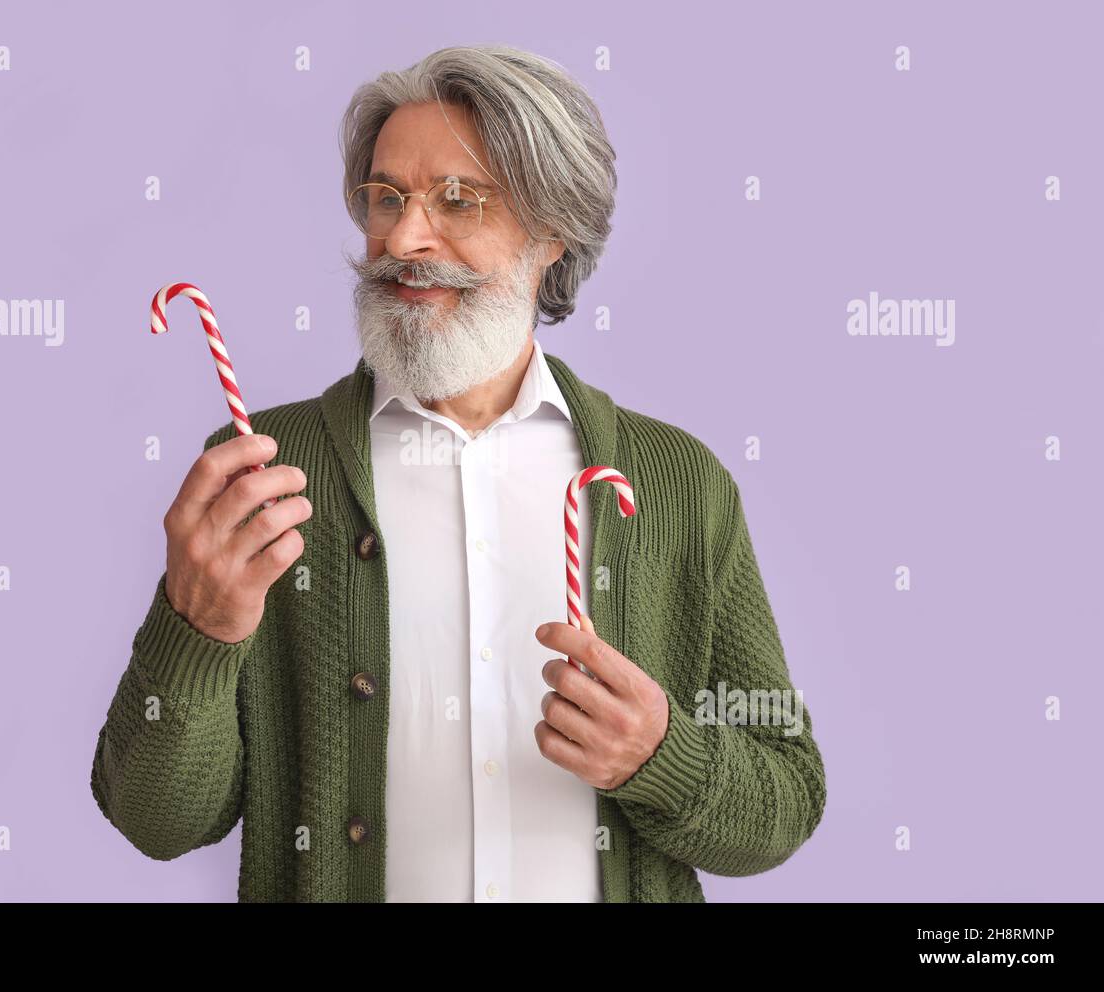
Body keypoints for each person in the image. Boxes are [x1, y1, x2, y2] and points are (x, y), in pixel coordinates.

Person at [90, 44, 826, 902]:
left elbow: (787, 798)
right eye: (385, 197)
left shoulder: (672, 484)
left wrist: (663, 757)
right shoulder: (266, 475)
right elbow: (155, 819)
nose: (402, 238)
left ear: (553, 231)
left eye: (457, 200)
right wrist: (198, 628)